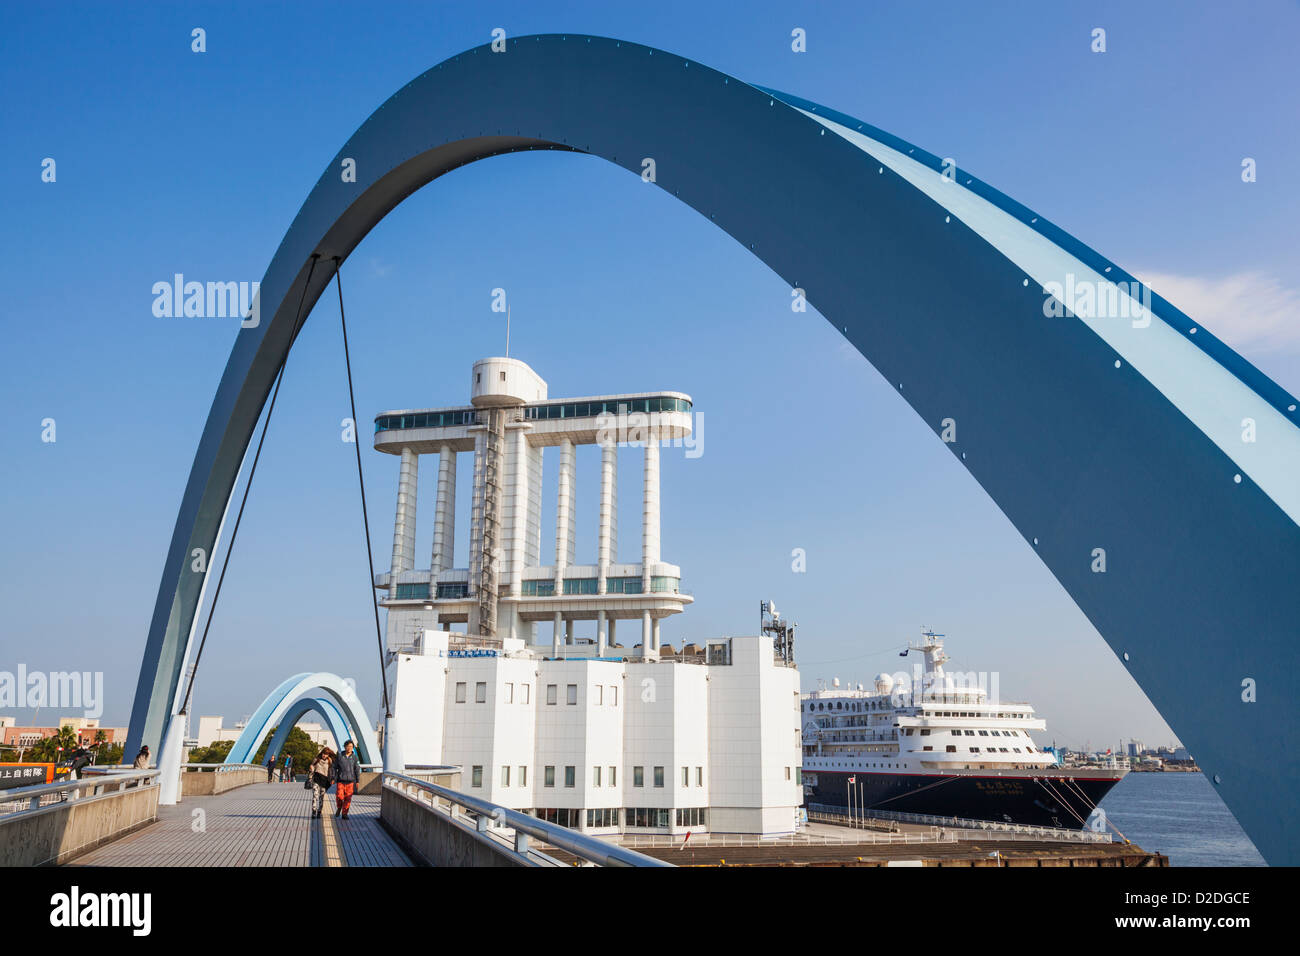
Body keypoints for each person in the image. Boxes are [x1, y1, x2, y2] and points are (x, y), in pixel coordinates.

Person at [331, 740, 361, 820]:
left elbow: (357, 769)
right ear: (345, 747)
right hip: (341, 780)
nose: (349, 748)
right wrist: (333, 777)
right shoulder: (340, 756)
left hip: (350, 781)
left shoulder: (354, 757)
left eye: (351, 747)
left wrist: (358, 781)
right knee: (339, 796)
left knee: (348, 798)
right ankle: (339, 807)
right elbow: (334, 767)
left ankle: (344, 814)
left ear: (353, 748)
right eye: (348, 746)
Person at [309, 746, 335, 818]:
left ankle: (319, 811)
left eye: (326, 754)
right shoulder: (317, 759)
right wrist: (311, 768)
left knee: (321, 797)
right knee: (315, 795)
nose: (324, 755)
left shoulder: (329, 761)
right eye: (323, 753)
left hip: (324, 782)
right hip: (316, 780)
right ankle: (314, 811)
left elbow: (332, 771)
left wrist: (332, 779)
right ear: (321, 753)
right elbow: (312, 766)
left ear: (328, 755)